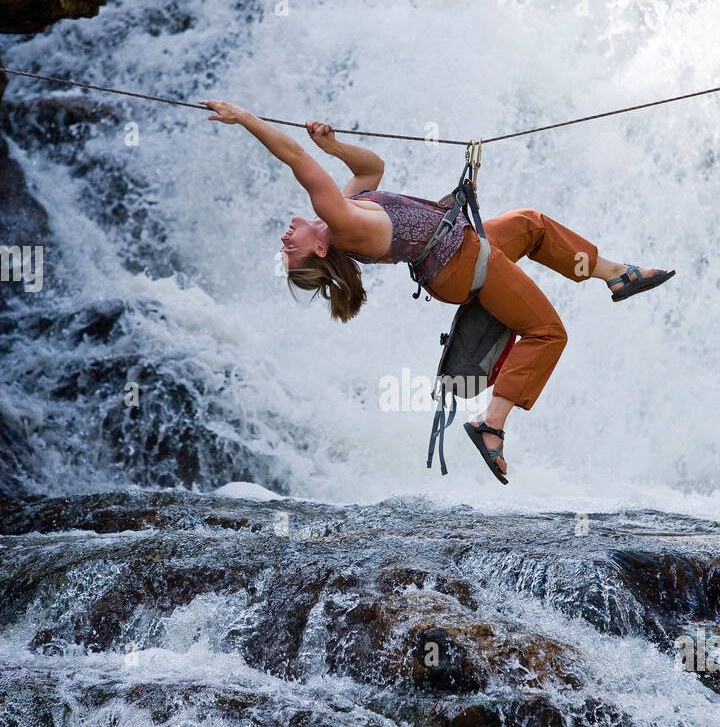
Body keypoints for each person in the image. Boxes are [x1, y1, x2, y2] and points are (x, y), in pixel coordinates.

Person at [201, 100, 675, 482]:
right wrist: (244, 118)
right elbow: (295, 160)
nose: (285, 240)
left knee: (531, 225)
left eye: (285, 246)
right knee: (549, 332)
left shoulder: (342, 209)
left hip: (460, 244)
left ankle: (615, 274)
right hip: (460, 265)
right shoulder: (341, 223)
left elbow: (372, 169)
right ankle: (491, 421)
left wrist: (333, 145)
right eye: (292, 251)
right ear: (321, 250)